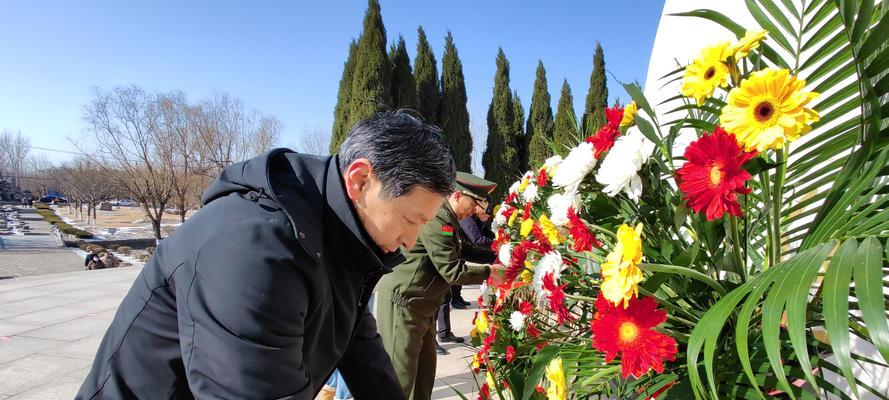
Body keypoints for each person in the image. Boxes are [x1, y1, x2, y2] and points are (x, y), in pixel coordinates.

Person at [76, 111, 456, 400]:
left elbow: (361, 350)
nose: (411, 240)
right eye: (411, 219)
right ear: (360, 181)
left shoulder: (345, 240)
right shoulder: (254, 246)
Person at [377, 172, 505, 400]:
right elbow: (452, 270)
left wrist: (496, 255)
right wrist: (490, 272)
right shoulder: (438, 219)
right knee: (400, 381)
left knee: (423, 380)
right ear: (457, 195)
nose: (476, 209)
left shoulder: (448, 218)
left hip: (424, 307)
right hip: (406, 304)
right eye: (474, 203)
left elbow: (463, 249)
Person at [450, 208, 496, 309]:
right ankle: (455, 299)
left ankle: (457, 297)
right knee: (457, 274)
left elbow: (484, 232)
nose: (486, 218)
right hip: (458, 250)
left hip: (461, 249)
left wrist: (496, 240)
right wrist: (495, 244)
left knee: (459, 274)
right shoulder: (467, 218)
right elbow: (477, 239)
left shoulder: (474, 218)